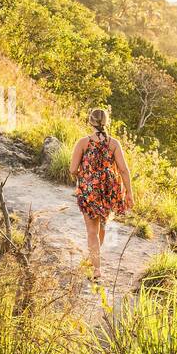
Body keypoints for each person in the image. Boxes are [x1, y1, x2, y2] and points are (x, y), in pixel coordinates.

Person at [69, 108, 134, 282]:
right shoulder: (114, 144)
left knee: (92, 231)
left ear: (90, 122)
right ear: (107, 122)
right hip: (108, 190)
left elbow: (73, 169)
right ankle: (94, 259)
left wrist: (85, 175)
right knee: (102, 227)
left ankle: (97, 269)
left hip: (89, 189)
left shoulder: (83, 143)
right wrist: (129, 193)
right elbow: (124, 170)